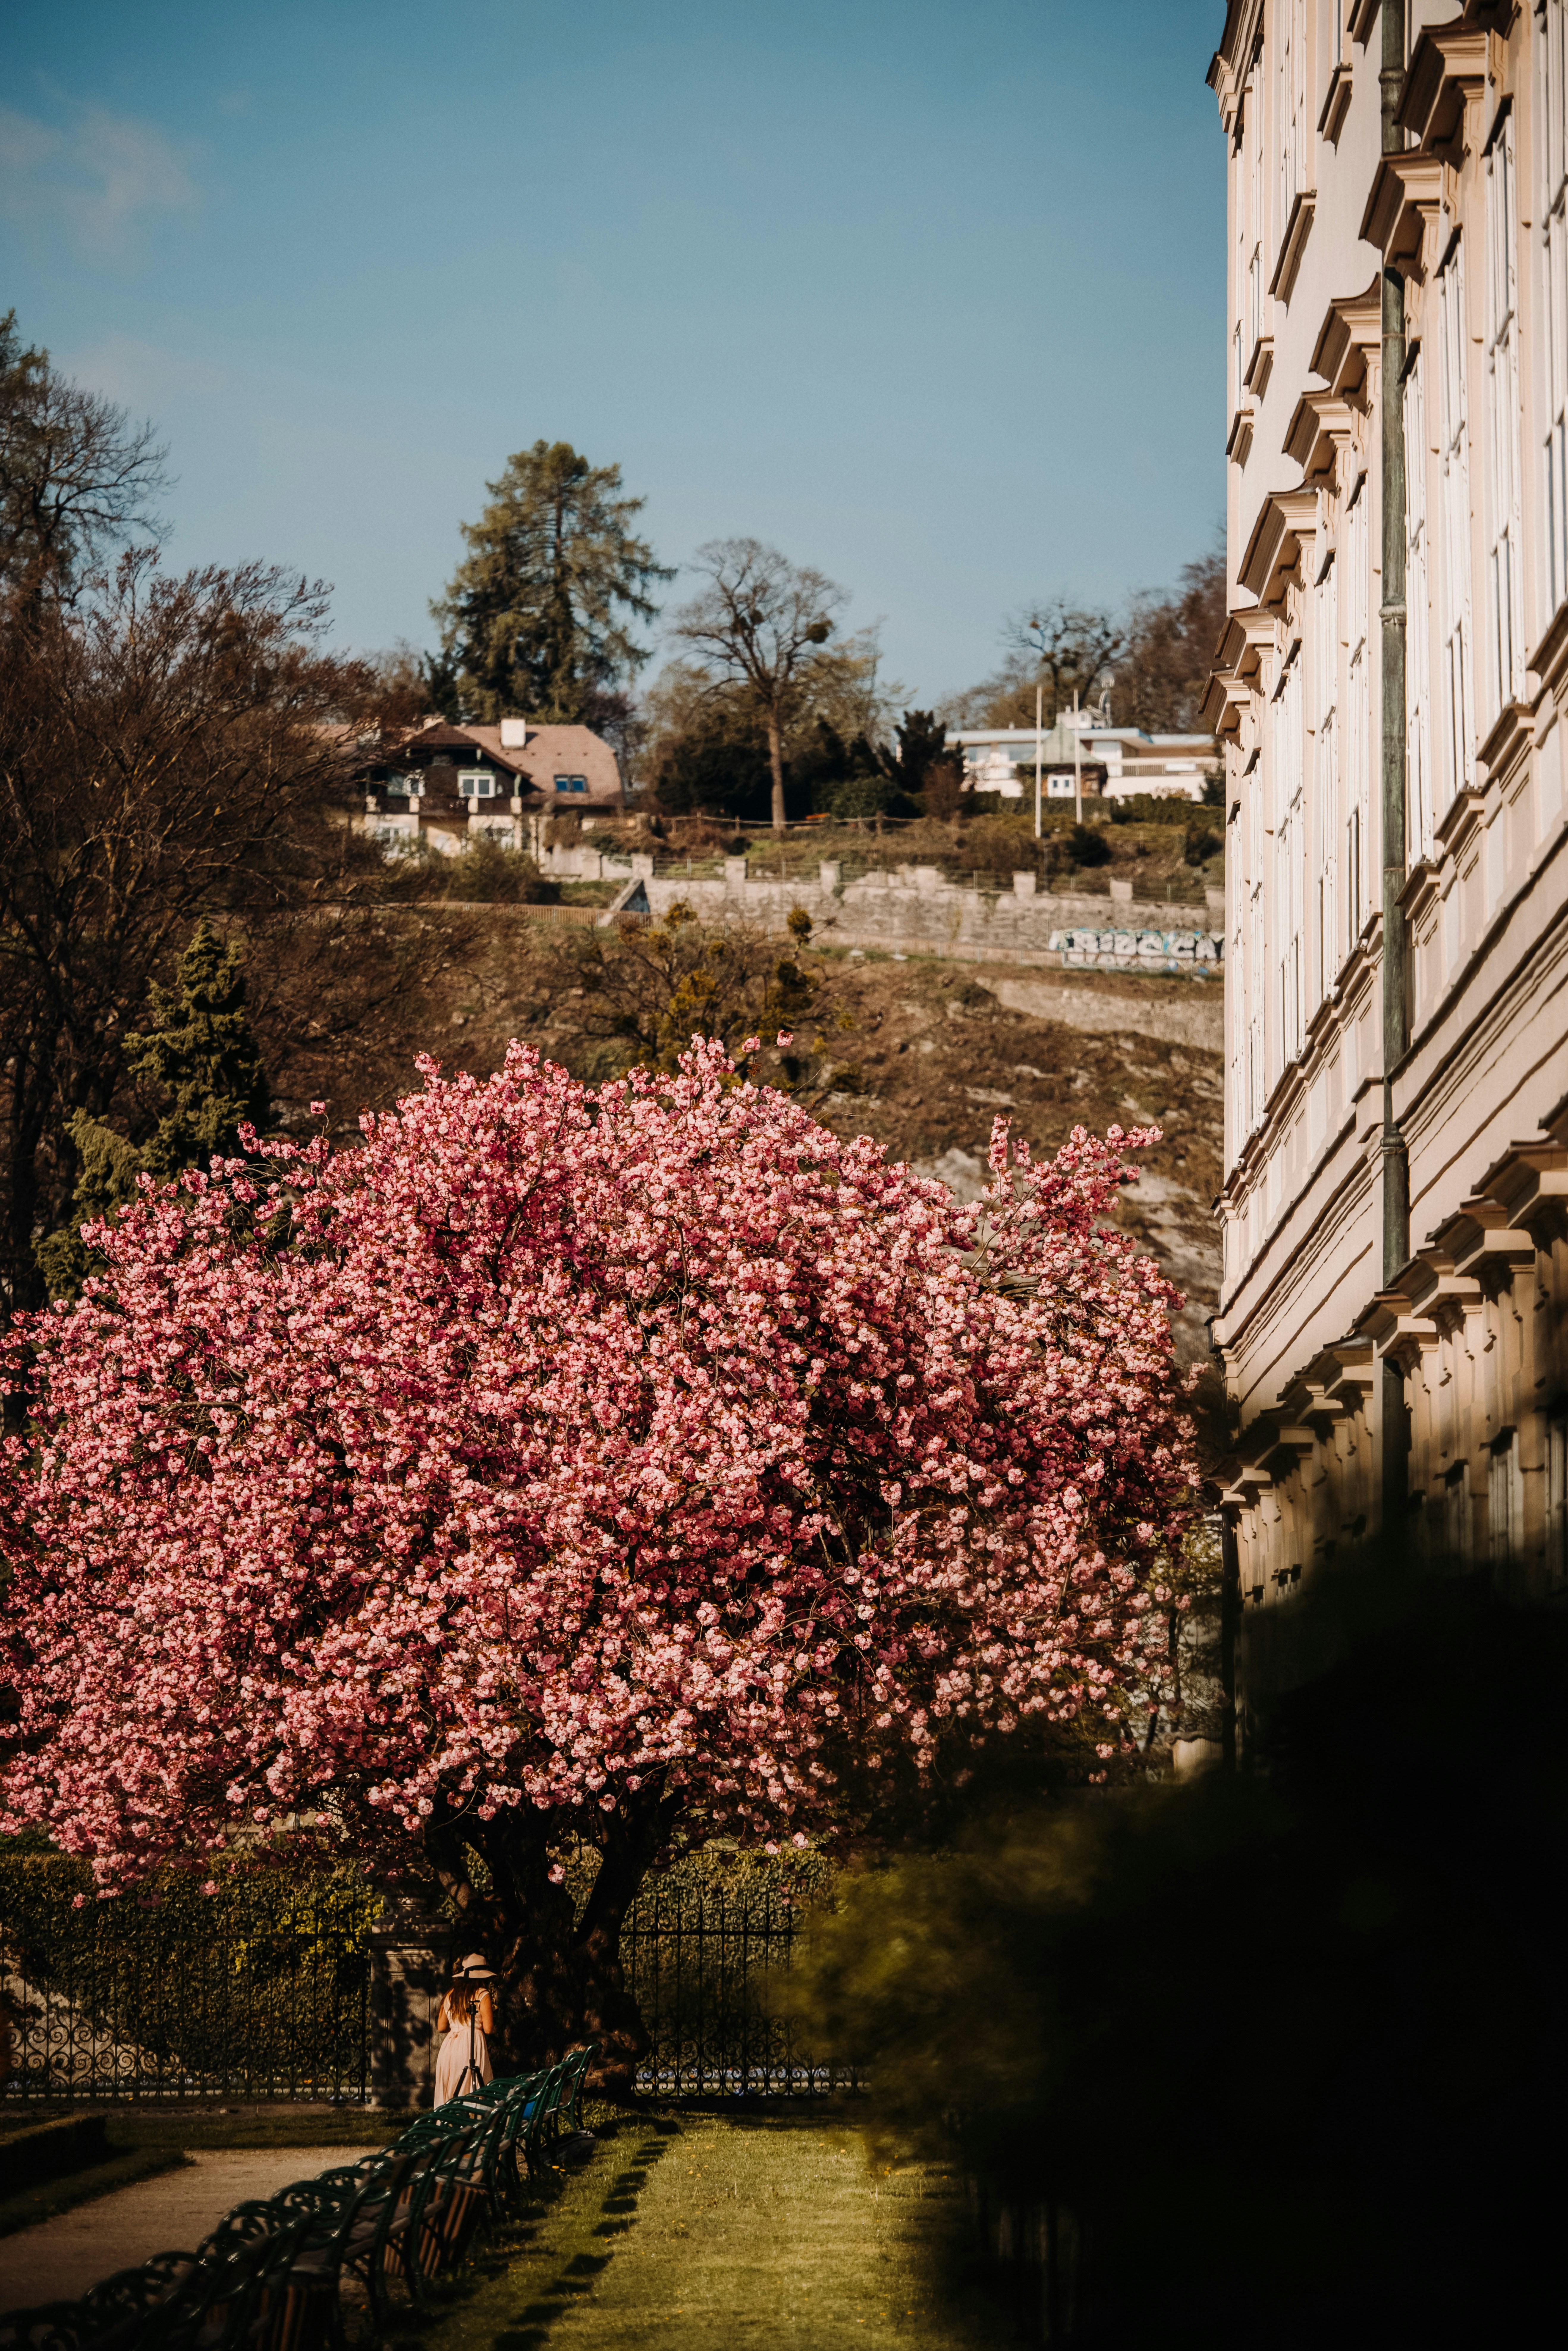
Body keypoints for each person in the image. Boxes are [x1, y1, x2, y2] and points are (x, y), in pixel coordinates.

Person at [433, 1952, 497, 2104]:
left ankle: (449, 2121)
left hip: (451, 2046)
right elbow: (488, 2029)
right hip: (472, 2044)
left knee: (452, 2087)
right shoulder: (482, 1994)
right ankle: (474, 2122)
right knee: (473, 2091)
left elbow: (441, 2027)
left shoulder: (450, 1995)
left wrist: (458, 2026)